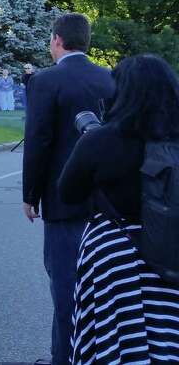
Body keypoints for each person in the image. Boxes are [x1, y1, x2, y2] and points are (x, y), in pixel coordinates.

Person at [59, 54, 179, 364]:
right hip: (174, 253)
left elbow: (68, 193)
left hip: (115, 258)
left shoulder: (100, 140)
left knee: (115, 343)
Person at [21, 13, 114, 365]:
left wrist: (30, 194)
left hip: (63, 199)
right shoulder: (109, 78)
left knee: (65, 285)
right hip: (106, 201)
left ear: (57, 40)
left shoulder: (45, 81)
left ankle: (64, 357)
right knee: (99, 285)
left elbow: (38, 141)